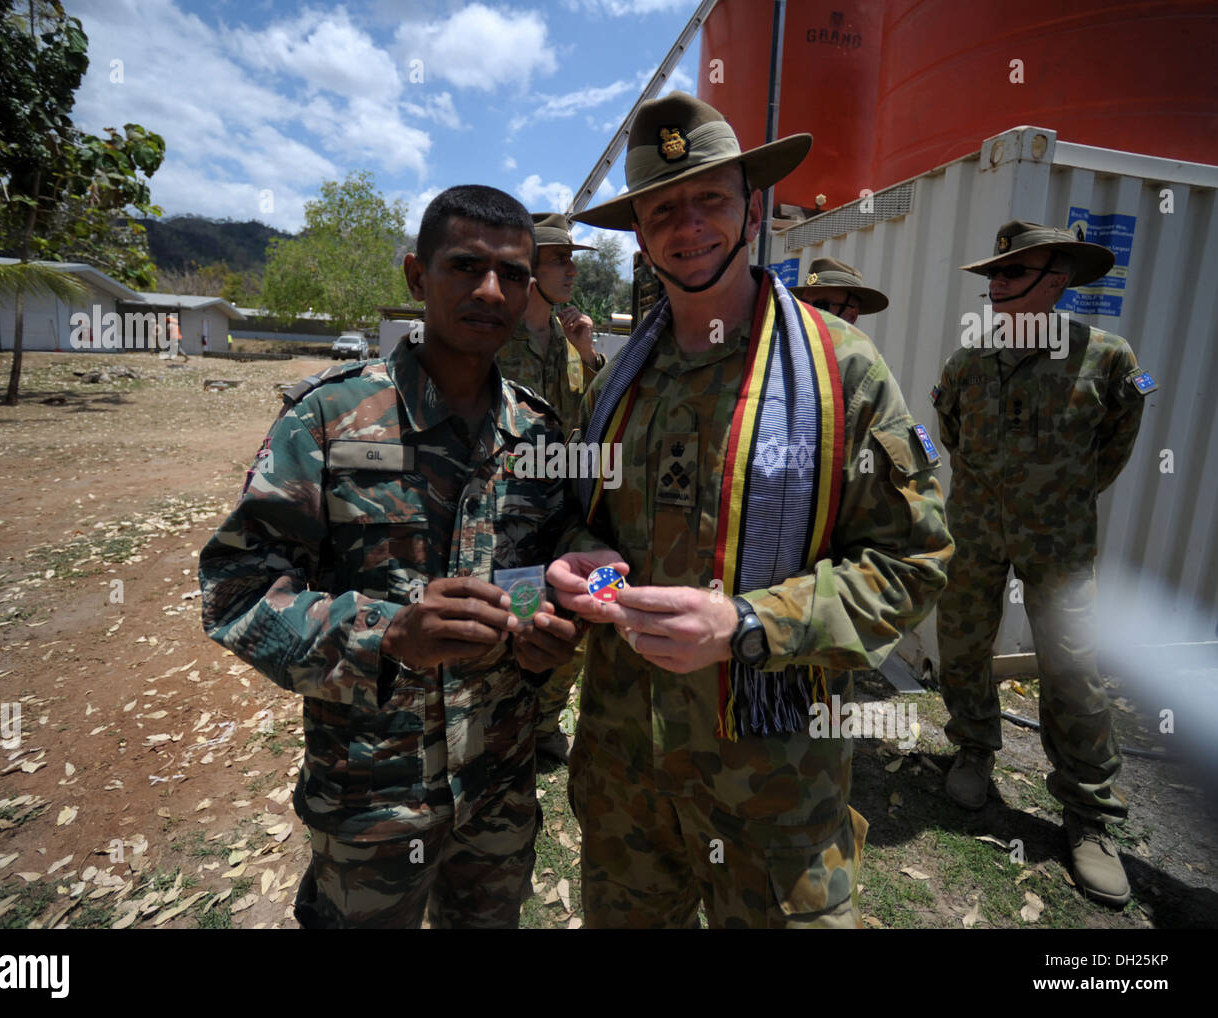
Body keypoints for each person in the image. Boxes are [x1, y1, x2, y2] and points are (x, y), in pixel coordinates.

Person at [549, 92, 954, 928]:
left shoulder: (840, 371)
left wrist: (744, 624)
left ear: (752, 207)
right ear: (639, 232)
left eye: (709, 199)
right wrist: (578, 554)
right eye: (663, 208)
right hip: (628, 780)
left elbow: (910, 565)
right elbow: (580, 515)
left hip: (773, 790)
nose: (687, 224)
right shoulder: (618, 381)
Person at [198, 185, 585, 928]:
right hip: (372, 798)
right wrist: (389, 636)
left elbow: (546, 565)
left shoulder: (540, 435)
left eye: (511, 275)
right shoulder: (330, 417)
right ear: (416, 276)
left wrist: (549, 635)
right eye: (464, 266)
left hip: (498, 792)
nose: (488, 290)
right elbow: (237, 590)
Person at [933, 220, 1156, 907]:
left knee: (1074, 669)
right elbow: (950, 433)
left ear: (1055, 280)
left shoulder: (1108, 359)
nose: (994, 286)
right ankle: (973, 751)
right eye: (992, 276)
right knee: (964, 643)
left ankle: (1089, 817)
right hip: (973, 527)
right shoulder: (970, 361)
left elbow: (1115, 443)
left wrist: (1059, 495)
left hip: (1058, 540)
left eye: (1009, 274)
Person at [495, 211, 604, 764]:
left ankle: (544, 719)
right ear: (528, 267)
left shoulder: (566, 342)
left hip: (566, 512)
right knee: (524, 625)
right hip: (512, 520)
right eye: (559, 259)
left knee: (574, 626)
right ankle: (518, 726)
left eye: (572, 259)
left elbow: (587, 415)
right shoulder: (497, 335)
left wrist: (587, 353)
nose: (570, 270)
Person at [789, 256, 889, 326]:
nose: (808, 313)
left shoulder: (860, 354)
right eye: (803, 305)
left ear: (851, 316)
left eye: (821, 306)